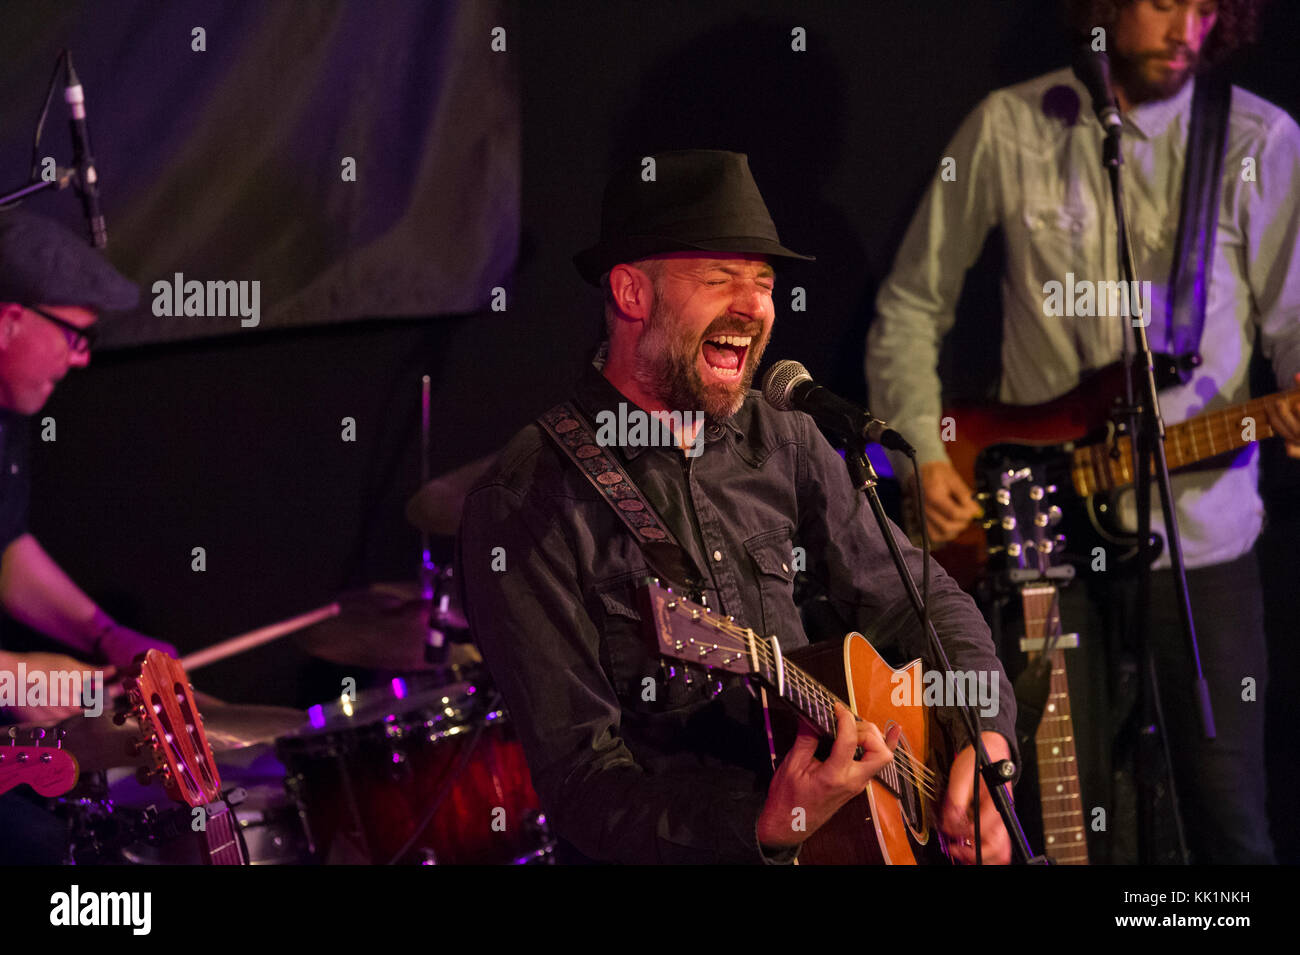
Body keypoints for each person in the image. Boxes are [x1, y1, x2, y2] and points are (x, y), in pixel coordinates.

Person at [459, 149, 1019, 864]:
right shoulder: (524, 503)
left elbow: (920, 599)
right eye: (722, 279)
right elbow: (583, 785)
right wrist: (767, 821)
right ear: (631, 293)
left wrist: (984, 738)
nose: (754, 307)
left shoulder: (785, 436)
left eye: (764, 283)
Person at [866, 0, 1298, 863]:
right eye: (1165, 2)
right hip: (1033, 532)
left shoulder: (1263, 140)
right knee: (1062, 823)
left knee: (1229, 826)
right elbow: (911, 304)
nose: (1189, 29)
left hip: (1200, 543)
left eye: (1209, 8)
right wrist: (919, 450)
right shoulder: (1009, 125)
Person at [0, 209, 177, 864]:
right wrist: (12, 677)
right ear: (8, 317)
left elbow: (5, 551)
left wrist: (105, 634)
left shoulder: (6, 407)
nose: (80, 359)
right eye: (75, 336)